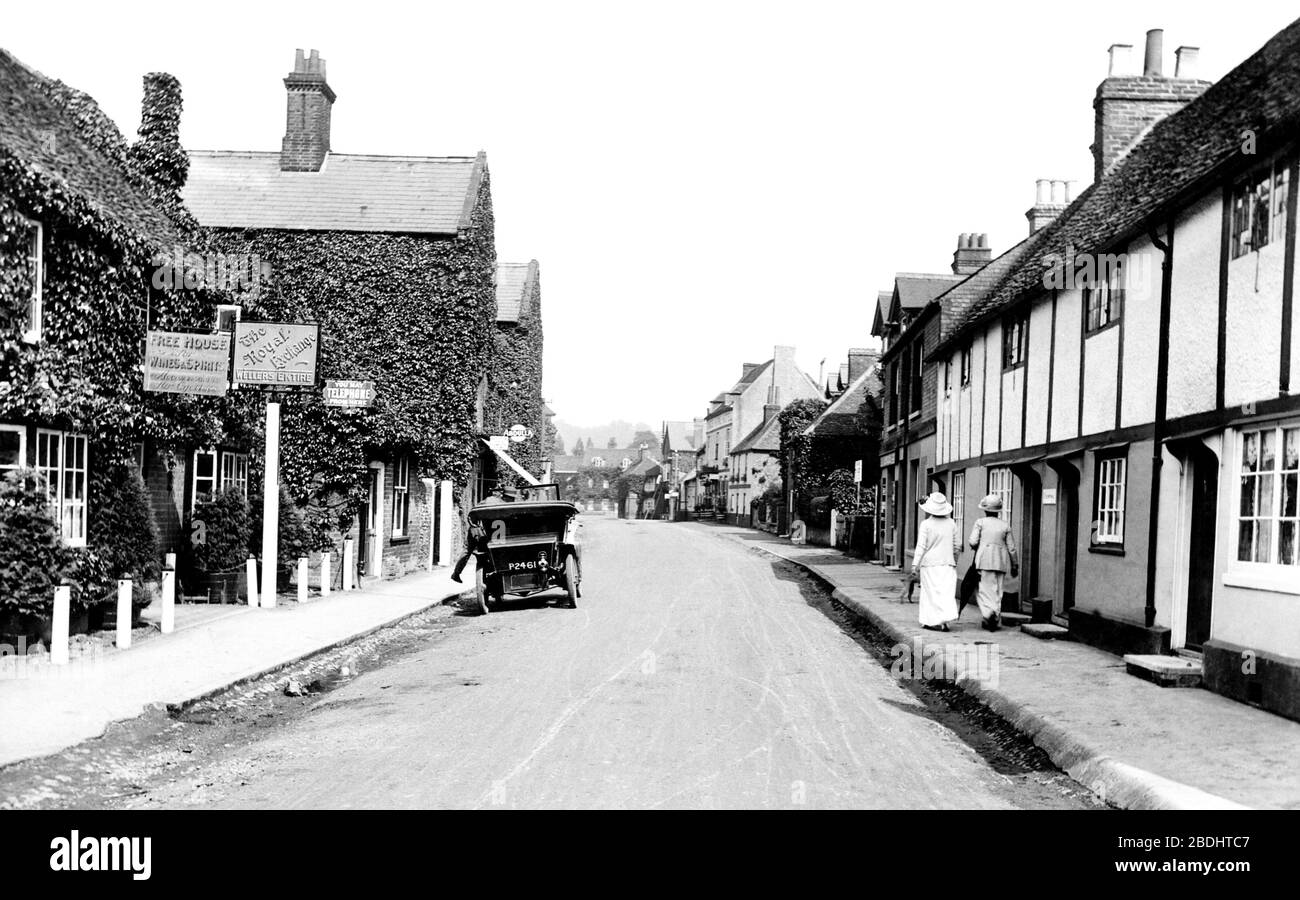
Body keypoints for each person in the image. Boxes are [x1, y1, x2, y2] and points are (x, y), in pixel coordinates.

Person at [910, 492, 962, 632]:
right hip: (947, 563)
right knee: (945, 592)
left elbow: (921, 546)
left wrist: (915, 564)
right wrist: (954, 560)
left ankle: (932, 620)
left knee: (930, 593)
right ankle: (945, 621)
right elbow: (957, 546)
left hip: (930, 563)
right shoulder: (951, 523)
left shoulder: (926, 524)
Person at [968, 494, 1019, 631]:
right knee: (997, 591)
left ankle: (988, 614)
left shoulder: (980, 523)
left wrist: (975, 545)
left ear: (985, 510)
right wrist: (1015, 564)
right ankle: (994, 617)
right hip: (1000, 562)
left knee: (984, 590)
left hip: (984, 560)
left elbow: (972, 541)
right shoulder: (1005, 525)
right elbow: (1012, 548)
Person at [451, 485, 511, 583]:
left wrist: (474, 526)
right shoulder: (502, 504)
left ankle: (456, 573)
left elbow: (471, 514)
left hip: (478, 530)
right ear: (501, 495)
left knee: (467, 551)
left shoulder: (486, 501)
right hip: (488, 533)